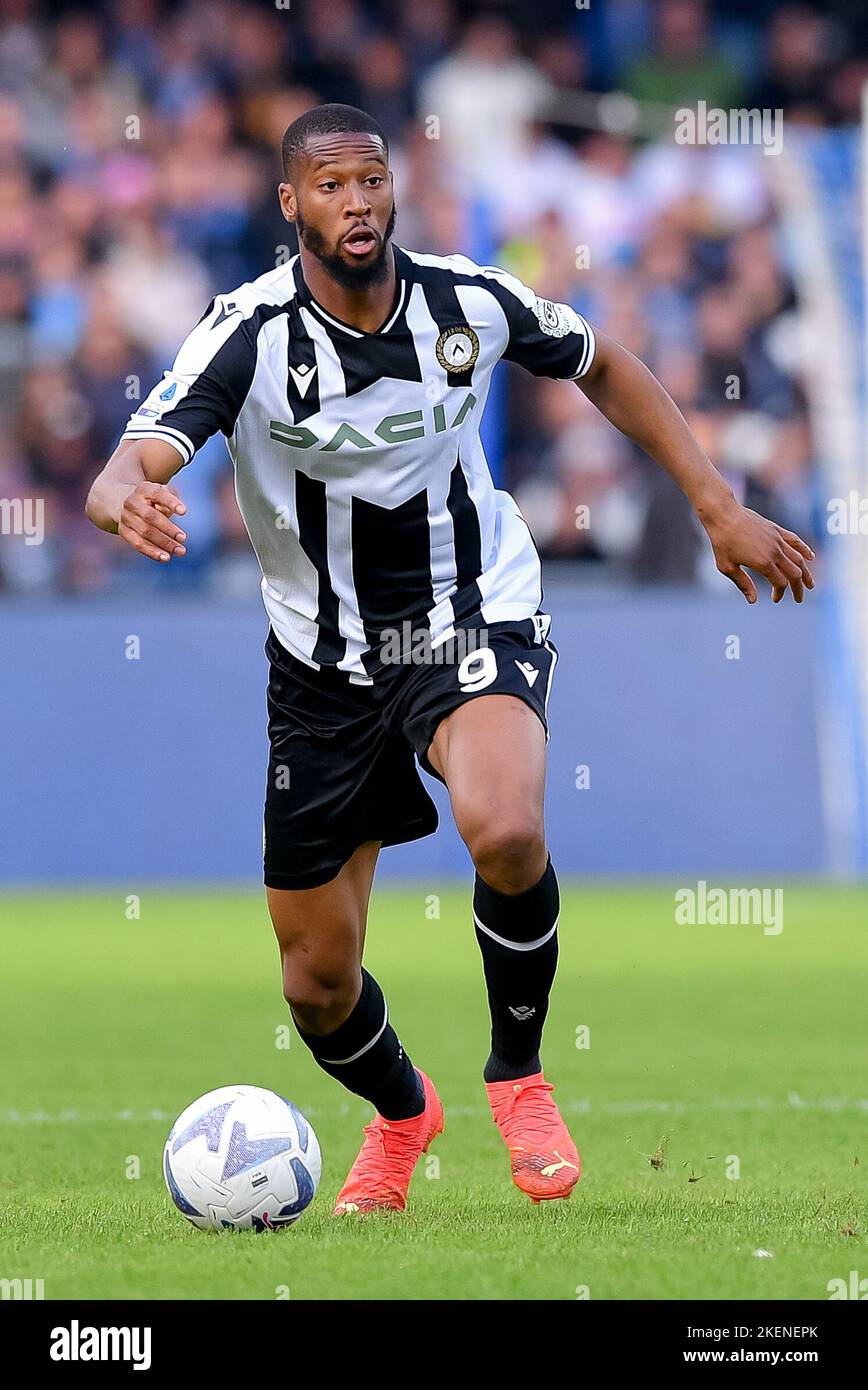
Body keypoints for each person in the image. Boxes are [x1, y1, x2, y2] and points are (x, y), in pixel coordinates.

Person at [86, 103, 815, 1215]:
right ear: (291, 206)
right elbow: (131, 457)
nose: (358, 202)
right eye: (329, 186)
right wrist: (120, 495)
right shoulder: (245, 333)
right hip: (322, 666)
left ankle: (517, 1074)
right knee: (316, 985)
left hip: (467, 612)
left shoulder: (465, 300)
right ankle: (402, 1111)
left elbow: (603, 360)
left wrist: (716, 505)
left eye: (371, 180)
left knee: (508, 826)